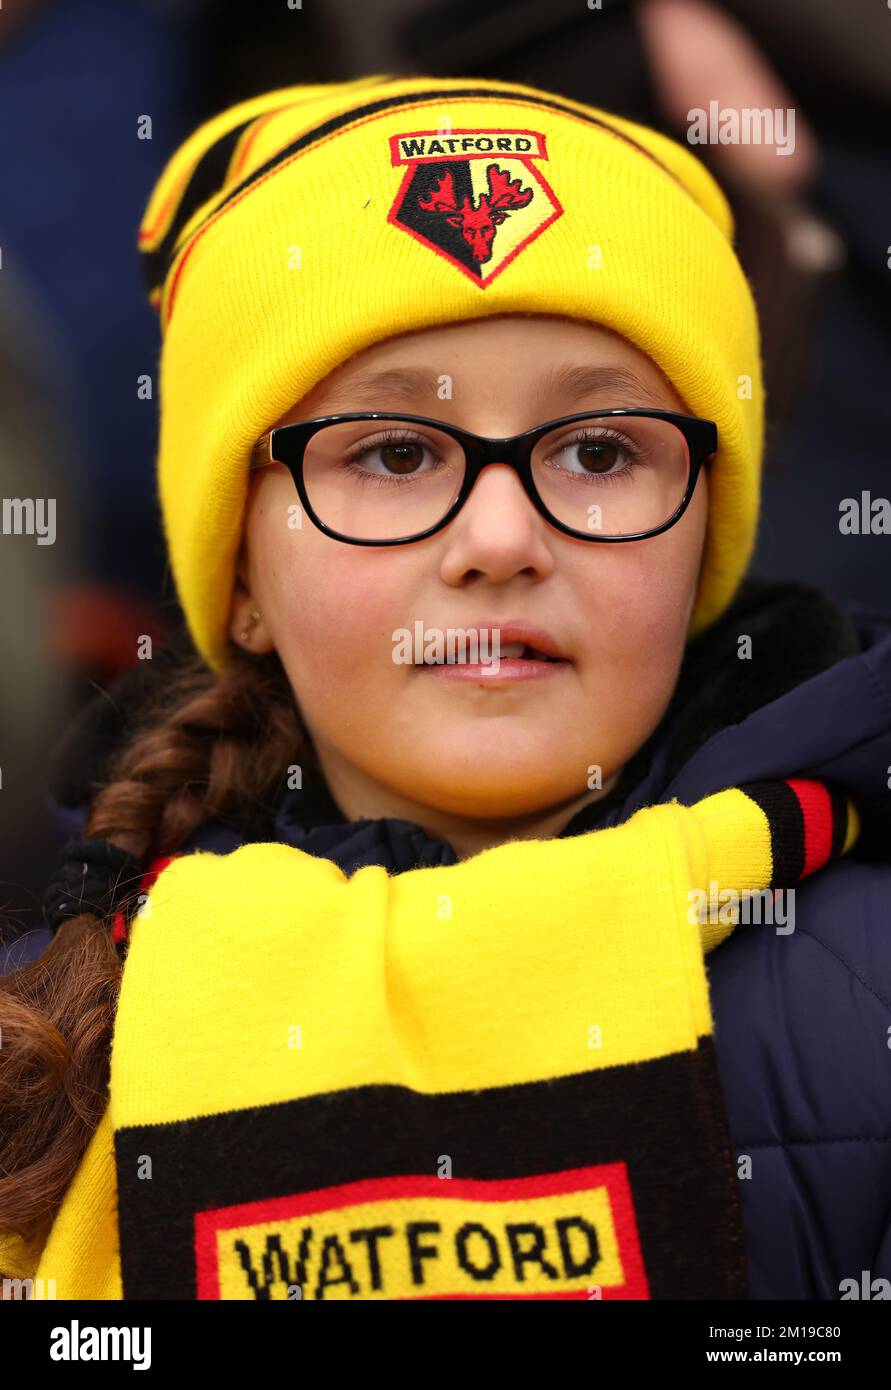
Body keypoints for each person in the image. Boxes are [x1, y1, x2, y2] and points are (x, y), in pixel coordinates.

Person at [1, 74, 890, 1303]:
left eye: (597, 451)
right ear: (240, 570)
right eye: (396, 453)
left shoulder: (870, 981)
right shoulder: (52, 1025)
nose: (500, 536)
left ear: (700, 549)